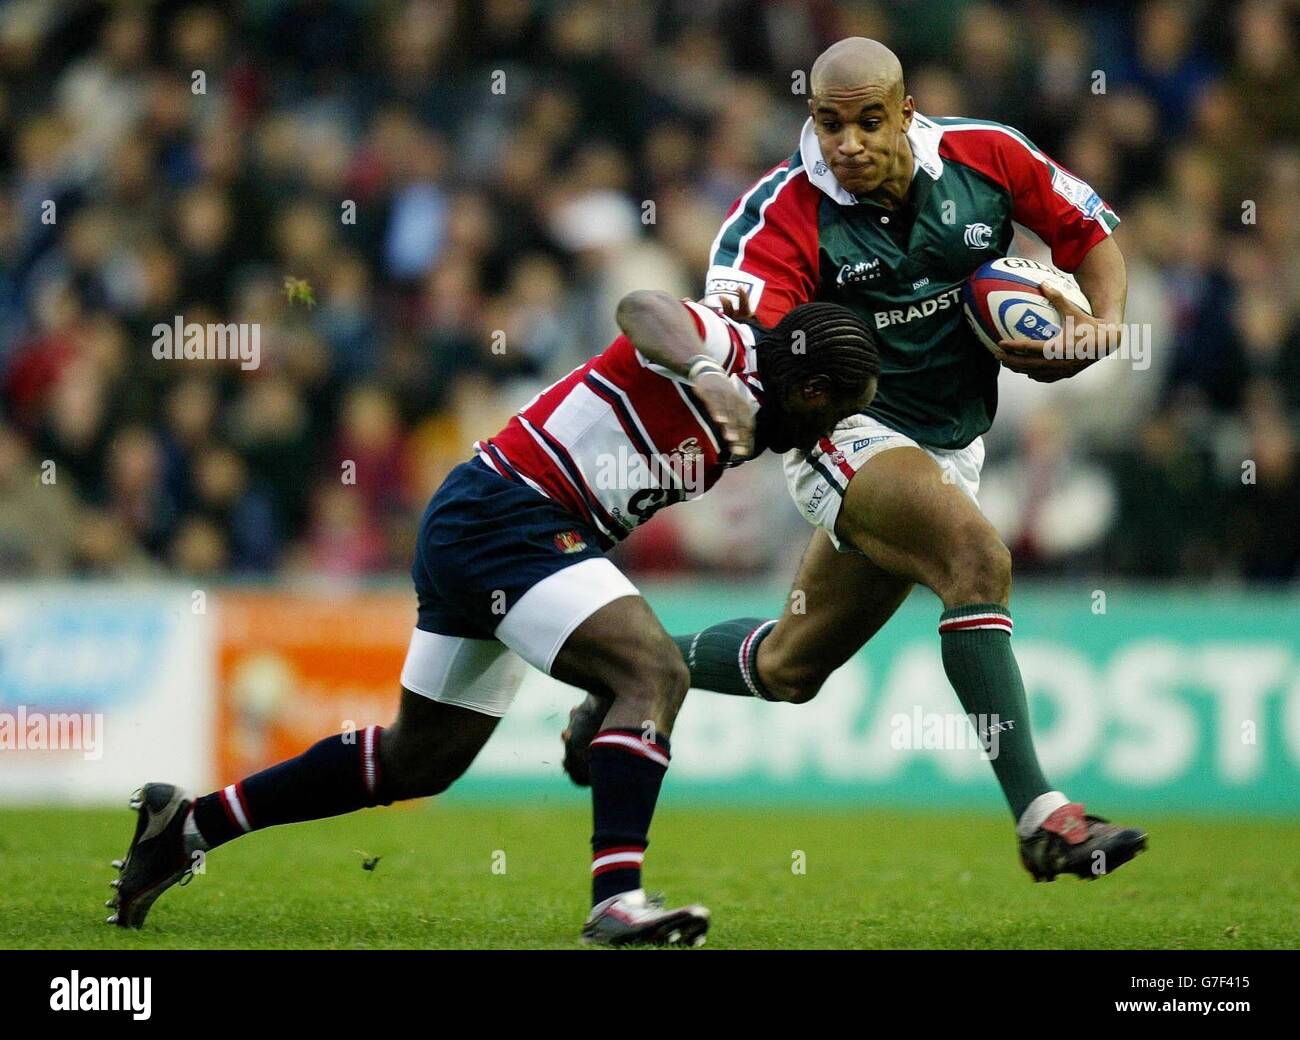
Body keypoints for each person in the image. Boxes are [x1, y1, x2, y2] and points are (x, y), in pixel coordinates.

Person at [107, 290, 881, 945]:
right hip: (511, 515)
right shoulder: (731, 353)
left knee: (420, 762)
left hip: (490, 520)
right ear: (809, 390)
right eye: (840, 410)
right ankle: (616, 897)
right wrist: (709, 373)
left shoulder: (775, 405)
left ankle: (186, 828)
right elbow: (642, 308)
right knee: (654, 669)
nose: (836, 427)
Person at [563, 38, 1146, 883]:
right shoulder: (779, 217)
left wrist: (1102, 323)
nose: (849, 143)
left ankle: (622, 680)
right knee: (976, 558)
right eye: (830, 123)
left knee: (790, 665)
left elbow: (1092, 239)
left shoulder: (990, 155)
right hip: (843, 433)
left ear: (907, 113)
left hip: (953, 441)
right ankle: (1042, 818)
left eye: (870, 122)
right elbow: (742, 349)